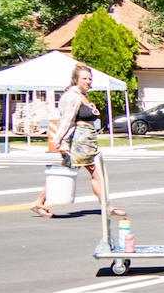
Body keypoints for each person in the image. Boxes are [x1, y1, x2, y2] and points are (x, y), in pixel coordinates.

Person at [30, 64, 125, 221]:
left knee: (64, 172)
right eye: (84, 78)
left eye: (89, 78)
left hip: (87, 141)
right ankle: (106, 206)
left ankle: (39, 202)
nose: (88, 81)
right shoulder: (71, 96)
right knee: (95, 173)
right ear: (76, 79)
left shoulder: (82, 95)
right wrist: (62, 144)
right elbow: (66, 121)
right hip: (77, 143)